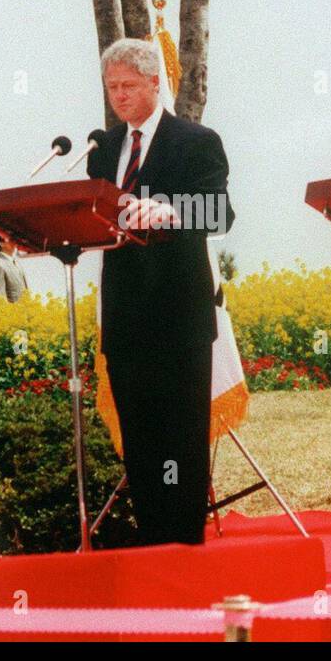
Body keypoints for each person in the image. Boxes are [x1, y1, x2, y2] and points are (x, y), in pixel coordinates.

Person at [86, 38, 234, 546]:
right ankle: (152, 545)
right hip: (125, 319)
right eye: (112, 88)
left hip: (178, 318)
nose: (120, 96)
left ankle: (185, 549)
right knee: (142, 443)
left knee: (181, 440)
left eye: (129, 85)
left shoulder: (195, 141)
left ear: (155, 83)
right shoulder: (103, 149)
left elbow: (221, 214)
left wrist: (174, 211)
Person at [0, 233, 29, 304]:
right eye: (10, 240)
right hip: (12, 313)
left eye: (14, 240)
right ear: (1, 244)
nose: (14, 242)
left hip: (25, 313)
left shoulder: (17, 263)